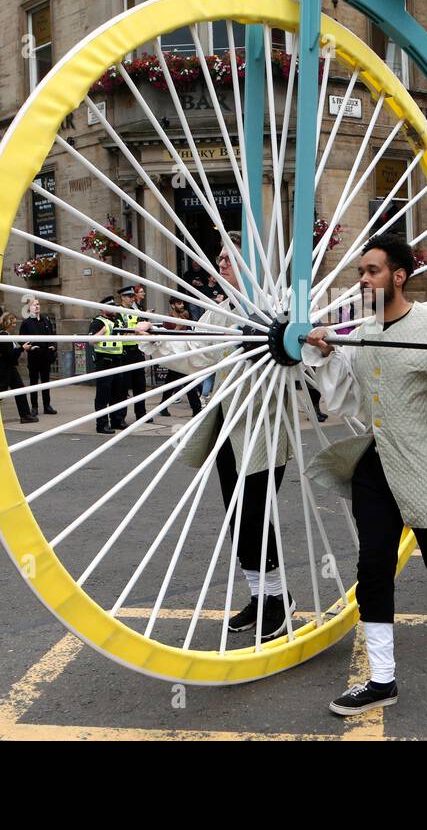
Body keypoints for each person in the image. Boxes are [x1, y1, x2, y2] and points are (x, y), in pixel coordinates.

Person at [304, 233, 427, 715]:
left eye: (371, 270)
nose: (363, 279)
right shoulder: (363, 330)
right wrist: (327, 354)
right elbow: (345, 398)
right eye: (360, 271)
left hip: (425, 463)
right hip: (376, 462)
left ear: (398, 275)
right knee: (372, 566)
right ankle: (381, 679)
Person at [137, 232, 295, 641]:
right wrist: (155, 340)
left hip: (263, 429)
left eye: (228, 257)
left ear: (251, 265)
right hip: (228, 424)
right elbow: (196, 352)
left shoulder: (279, 310)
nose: (220, 262)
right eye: (220, 256)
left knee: (258, 515)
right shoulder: (219, 312)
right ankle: (261, 597)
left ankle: (280, 600)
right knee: (237, 515)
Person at [108, 285, 149, 429]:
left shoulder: (135, 312)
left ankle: (141, 413)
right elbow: (120, 333)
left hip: (136, 351)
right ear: (123, 298)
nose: (132, 299)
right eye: (130, 297)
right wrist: (134, 332)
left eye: (133, 296)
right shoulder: (119, 313)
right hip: (124, 352)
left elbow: (141, 329)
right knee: (123, 388)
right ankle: (120, 417)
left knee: (140, 385)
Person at [157, 298, 203, 417]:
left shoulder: (184, 317)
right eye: (179, 303)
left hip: (184, 353)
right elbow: (166, 337)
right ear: (172, 305)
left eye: (182, 303)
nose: (182, 305)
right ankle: (196, 408)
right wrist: (177, 327)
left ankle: (163, 405)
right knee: (188, 381)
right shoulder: (168, 319)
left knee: (171, 381)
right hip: (175, 354)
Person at [88, 296, 123, 433]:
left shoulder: (116, 321)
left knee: (118, 394)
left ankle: (116, 420)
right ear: (103, 309)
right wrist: (104, 330)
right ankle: (101, 424)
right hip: (105, 362)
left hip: (118, 361)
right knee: (103, 395)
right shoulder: (98, 322)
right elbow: (91, 341)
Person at [0, 312, 37, 424]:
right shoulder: (3, 336)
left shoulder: (7, 336)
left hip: (10, 368)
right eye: (13, 323)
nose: (15, 325)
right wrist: (22, 348)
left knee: (20, 390)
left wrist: (23, 348)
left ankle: (25, 415)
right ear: (7, 323)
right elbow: (10, 354)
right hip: (5, 369)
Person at [20, 296, 58, 415]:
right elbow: (21, 340)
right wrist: (30, 348)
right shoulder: (26, 323)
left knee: (46, 382)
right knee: (34, 382)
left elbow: (51, 335)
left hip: (46, 355)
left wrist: (53, 346)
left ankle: (47, 406)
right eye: (34, 305)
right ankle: (34, 406)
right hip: (34, 356)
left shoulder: (46, 320)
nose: (37, 306)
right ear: (28, 308)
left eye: (38, 304)